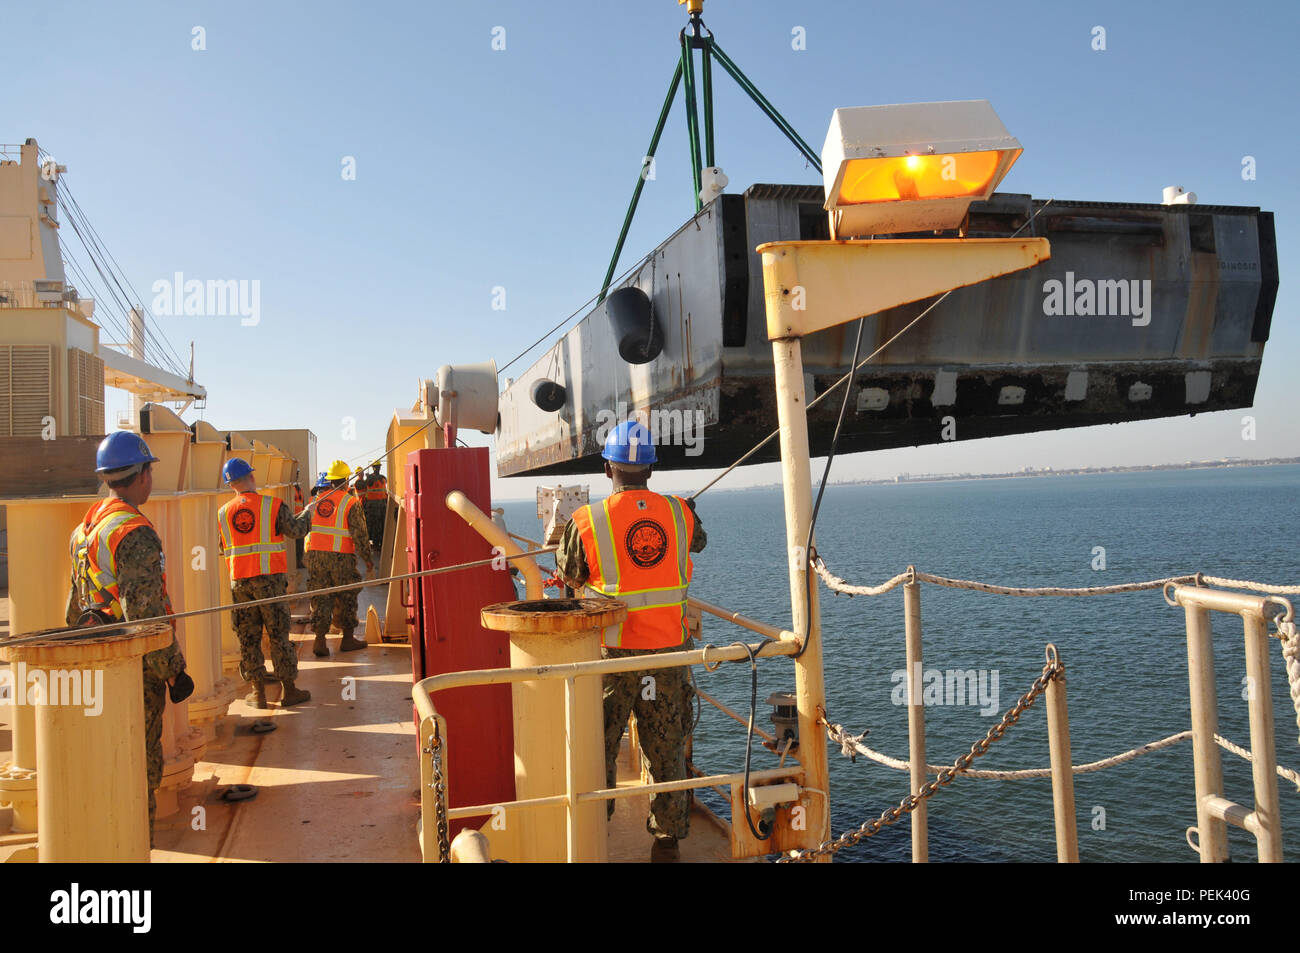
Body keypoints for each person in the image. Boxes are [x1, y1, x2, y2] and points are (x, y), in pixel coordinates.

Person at [556, 420, 706, 862]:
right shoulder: (679, 512)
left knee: (599, 745)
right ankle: (667, 841)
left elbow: (570, 574)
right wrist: (689, 510)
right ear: (652, 469)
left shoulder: (588, 520)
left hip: (612, 658)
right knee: (666, 745)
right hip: (668, 654)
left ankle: (592, 830)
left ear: (608, 469)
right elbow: (699, 541)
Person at [65, 431, 192, 843]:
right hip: (132, 664)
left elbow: (76, 602)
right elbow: (145, 613)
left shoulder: (86, 528)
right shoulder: (133, 531)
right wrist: (173, 672)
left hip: (95, 657)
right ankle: (136, 843)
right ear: (140, 476)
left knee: (106, 755)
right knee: (139, 759)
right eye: (150, 471)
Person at [216, 457, 314, 709]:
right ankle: (289, 691)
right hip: (269, 581)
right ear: (251, 477)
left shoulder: (223, 513)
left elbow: (222, 547)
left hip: (240, 583)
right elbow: (296, 531)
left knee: (248, 638)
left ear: (230, 485)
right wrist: (307, 514)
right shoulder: (273, 505)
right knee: (279, 634)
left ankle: (258, 693)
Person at [306, 460, 374, 657]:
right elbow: (360, 535)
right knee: (347, 595)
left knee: (320, 597)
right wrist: (368, 560)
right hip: (341, 558)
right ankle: (347, 639)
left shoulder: (316, 501)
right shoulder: (349, 502)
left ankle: (320, 640)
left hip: (316, 556)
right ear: (346, 480)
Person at [362, 462, 388, 551]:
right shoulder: (370, 479)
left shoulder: (383, 478)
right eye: (376, 467)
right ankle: (376, 543)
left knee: (382, 524)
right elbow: (365, 484)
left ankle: (381, 542)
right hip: (373, 506)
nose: (378, 468)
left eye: (379, 467)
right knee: (375, 525)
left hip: (382, 505)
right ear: (373, 468)